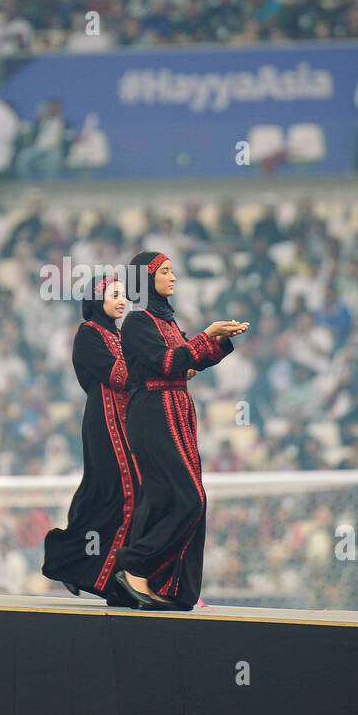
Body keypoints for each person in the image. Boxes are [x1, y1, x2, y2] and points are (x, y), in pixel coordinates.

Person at [112, 251, 247, 610]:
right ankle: (132, 565)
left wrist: (218, 342)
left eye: (174, 270)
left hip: (176, 413)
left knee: (165, 500)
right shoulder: (138, 322)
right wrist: (207, 335)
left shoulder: (167, 323)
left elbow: (187, 366)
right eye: (165, 271)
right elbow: (169, 362)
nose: (173, 277)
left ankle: (158, 584)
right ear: (146, 279)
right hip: (154, 416)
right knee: (191, 498)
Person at [42, 271, 139, 607]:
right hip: (105, 422)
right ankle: (75, 560)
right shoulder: (88, 334)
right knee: (119, 492)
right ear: (98, 298)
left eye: (124, 294)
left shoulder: (123, 335)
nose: (121, 300)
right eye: (114, 294)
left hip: (127, 424)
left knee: (108, 496)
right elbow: (118, 375)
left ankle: (86, 566)